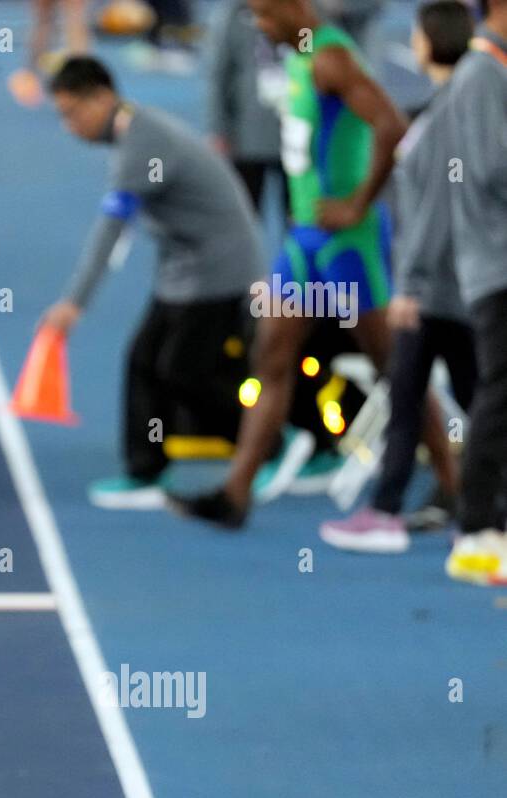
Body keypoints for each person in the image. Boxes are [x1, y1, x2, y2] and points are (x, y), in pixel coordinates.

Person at [168, 0, 457, 529]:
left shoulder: (332, 59)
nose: (257, 24)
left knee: (397, 369)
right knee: (271, 358)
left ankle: (455, 483)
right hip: (303, 240)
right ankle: (235, 495)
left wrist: (356, 204)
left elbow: (392, 126)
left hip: (348, 244)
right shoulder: (299, 55)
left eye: (263, 13)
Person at [40, 56, 263, 509]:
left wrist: (73, 303)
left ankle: (267, 442)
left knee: (183, 371)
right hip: (184, 269)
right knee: (144, 359)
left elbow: (111, 231)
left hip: (218, 269)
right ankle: (146, 471)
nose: (68, 127)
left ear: (102, 98)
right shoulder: (133, 132)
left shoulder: (142, 143)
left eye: (72, 113)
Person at [320, 0, 478, 554]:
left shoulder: (447, 114)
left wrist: (408, 286)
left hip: (438, 287)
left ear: (425, 42)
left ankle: (387, 511)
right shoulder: (451, 105)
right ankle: (459, 507)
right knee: (461, 394)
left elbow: (435, 208)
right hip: (456, 282)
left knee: (414, 393)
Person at [443, 0, 507, 585]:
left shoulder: (490, 68)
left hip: (491, 259)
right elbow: (491, 168)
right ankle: (476, 528)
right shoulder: (483, 71)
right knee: (499, 392)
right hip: (496, 264)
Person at [208, 0, 287, 220]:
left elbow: (310, 55)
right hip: (247, 136)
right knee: (245, 218)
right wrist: (219, 128)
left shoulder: (303, 14)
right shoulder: (236, 14)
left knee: (299, 219)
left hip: (295, 136)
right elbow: (220, 73)